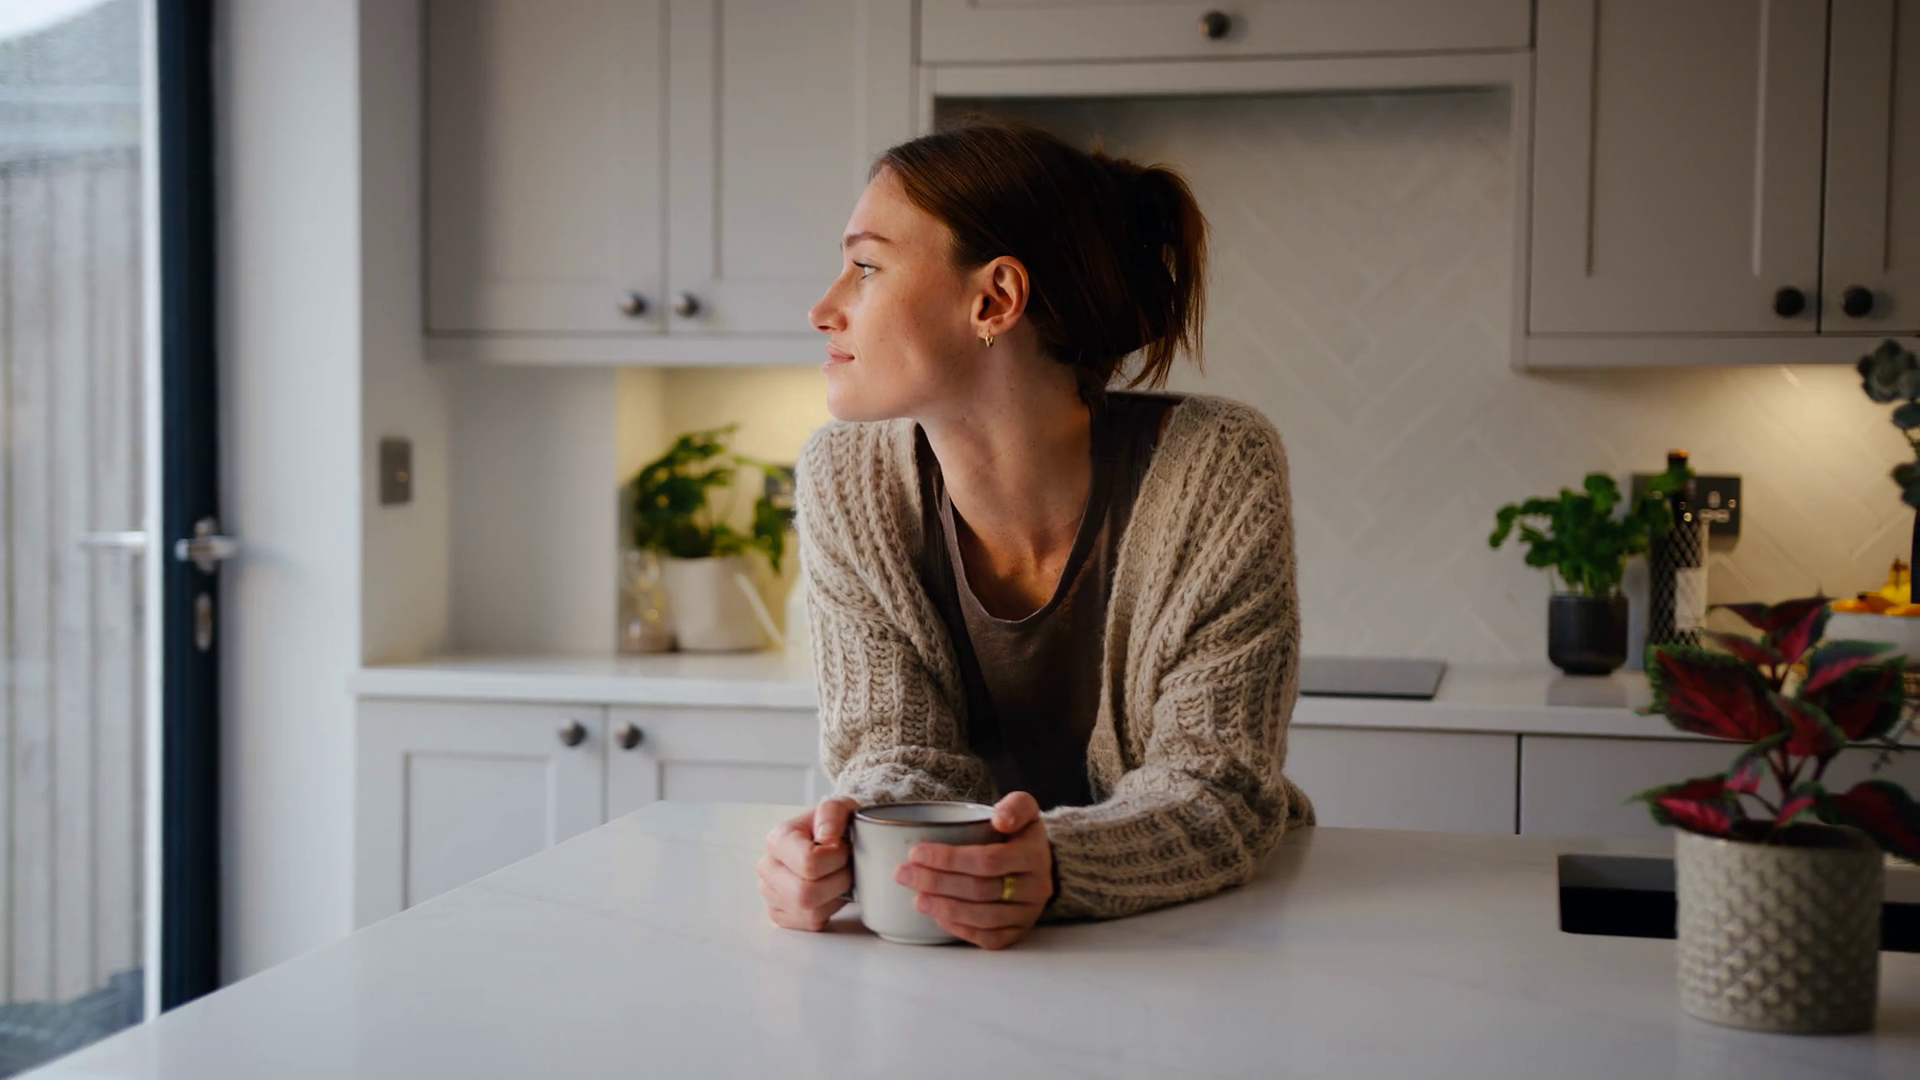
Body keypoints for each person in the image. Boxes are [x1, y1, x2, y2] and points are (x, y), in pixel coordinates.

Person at [757, 118, 1313, 950]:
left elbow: (1217, 788)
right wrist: (848, 843)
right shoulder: (848, 479)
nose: (823, 308)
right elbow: (892, 751)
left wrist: (1060, 865)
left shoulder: (1219, 466)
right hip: (965, 943)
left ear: (994, 301)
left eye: (865, 267)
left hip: (1205, 931)